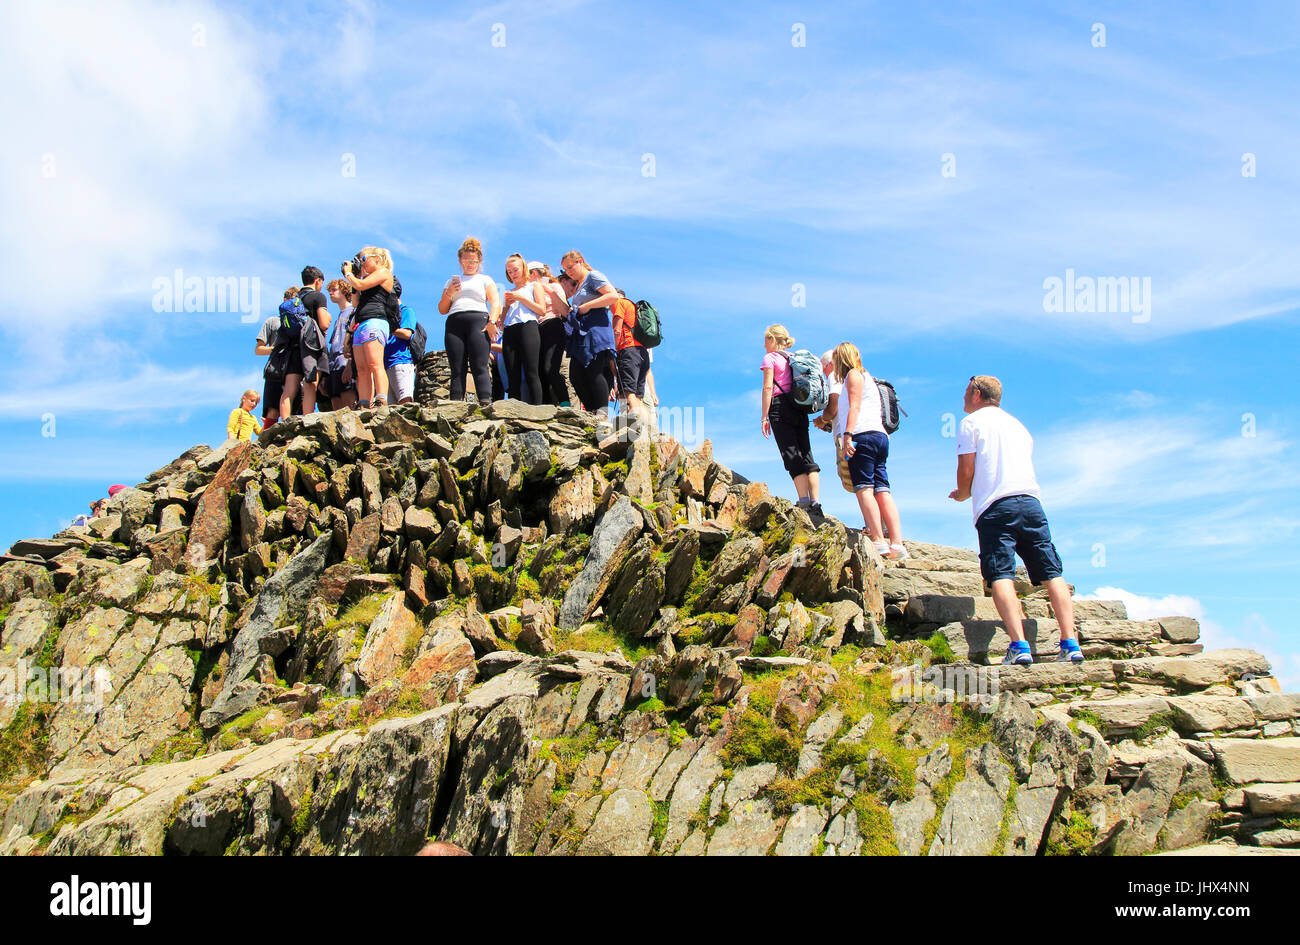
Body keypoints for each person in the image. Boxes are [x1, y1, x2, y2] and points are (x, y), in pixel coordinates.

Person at [949, 375, 1083, 665]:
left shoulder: (970, 424)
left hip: (996, 506)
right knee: (1052, 572)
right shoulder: (1019, 426)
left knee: (1000, 574)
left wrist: (962, 493)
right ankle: (1070, 643)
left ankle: (1019, 645)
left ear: (976, 393)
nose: (962, 398)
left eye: (965, 392)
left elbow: (966, 469)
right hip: (1031, 502)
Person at [832, 343, 907, 558]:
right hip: (880, 436)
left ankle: (878, 539)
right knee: (882, 488)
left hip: (862, 435)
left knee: (864, 487)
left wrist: (848, 435)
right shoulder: (869, 377)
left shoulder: (853, 375)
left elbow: (854, 407)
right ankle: (897, 543)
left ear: (841, 359)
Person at [759, 325, 821, 516]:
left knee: (791, 454)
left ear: (772, 339)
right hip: (799, 406)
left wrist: (764, 416)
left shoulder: (770, 358)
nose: (764, 345)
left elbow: (768, 388)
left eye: (765, 340)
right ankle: (815, 502)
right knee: (806, 453)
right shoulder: (794, 358)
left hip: (780, 406)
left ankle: (803, 503)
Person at [439, 237, 500, 406]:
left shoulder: (485, 279)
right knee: (457, 367)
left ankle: (485, 402)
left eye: (473, 260)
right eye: (466, 259)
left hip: (478, 319)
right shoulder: (451, 281)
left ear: (479, 260)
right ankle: (456, 403)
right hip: (454, 321)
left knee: (479, 364)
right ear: (460, 260)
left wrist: (492, 322)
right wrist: (449, 292)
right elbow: (442, 309)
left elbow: (495, 302)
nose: (470, 263)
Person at [560, 250, 618, 421]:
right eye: (565, 270)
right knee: (575, 374)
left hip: (596, 327)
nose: (568, 272)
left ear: (580, 261)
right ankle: (592, 410)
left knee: (595, 369)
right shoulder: (578, 285)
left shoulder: (593, 276)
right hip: (582, 332)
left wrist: (588, 306)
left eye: (570, 267)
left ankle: (601, 412)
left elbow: (613, 296)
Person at [342, 246, 396, 408]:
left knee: (375, 363)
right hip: (361, 323)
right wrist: (354, 279)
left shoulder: (383, 272)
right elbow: (356, 302)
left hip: (375, 321)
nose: (362, 263)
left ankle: (381, 399)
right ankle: (364, 402)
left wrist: (350, 275)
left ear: (378, 259)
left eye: (364, 259)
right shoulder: (365, 279)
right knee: (362, 368)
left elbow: (360, 285)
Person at [280, 268, 331, 418]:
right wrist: (327, 316)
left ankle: (284, 423)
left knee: (289, 389)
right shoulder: (317, 296)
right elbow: (324, 324)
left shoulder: (294, 299)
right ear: (318, 281)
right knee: (310, 383)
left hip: (292, 346)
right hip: (311, 346)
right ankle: (308, 419)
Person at [499, 254, 544, 404]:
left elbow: (541, 310)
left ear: (524, 268)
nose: (512, 274)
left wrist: (520, 298)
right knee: (513, 374)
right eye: (509, 271)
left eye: (515, 270)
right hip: (510, 330)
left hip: (528, 327)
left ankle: (538, 410)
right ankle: (513, 412)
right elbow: (501, 320)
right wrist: (505, 306)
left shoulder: (534, 286)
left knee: (532, 371)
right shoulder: (509, 292)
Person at [531, 262, 570, 406]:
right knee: (539, 369)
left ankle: (565, 403)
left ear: (534, 273)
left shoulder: (554, 286)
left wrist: (548, 291)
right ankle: (546, 406)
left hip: (552, 324)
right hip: (535, 328)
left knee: (550, 368)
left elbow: (565, 310)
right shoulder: (529, 290)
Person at [611, 288, 649, 422]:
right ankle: (643, 426)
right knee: (638, 395)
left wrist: (614, 349)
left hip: (628, 350)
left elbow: (617, 330)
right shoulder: (633, 307)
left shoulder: (619, 303)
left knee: (628, 391)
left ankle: (630, 422)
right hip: (643, 353)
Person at [322, 279, 357, 409]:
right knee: (336, 405)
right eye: (329, 290)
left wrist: (349, 364)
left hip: (344, 360)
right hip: (334, 364)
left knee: (348, 404)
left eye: (334, 290)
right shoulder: (339, 316)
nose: (330, 293)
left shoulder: (352, 312)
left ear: (344, 291)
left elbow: (353, 339)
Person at [385, 291, 418, 405]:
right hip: (386, 363)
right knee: (389, 407)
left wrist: (387, 328)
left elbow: (407, 333)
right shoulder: (387, 314)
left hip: (401, 360)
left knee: (405, 402)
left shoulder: (406, 310)